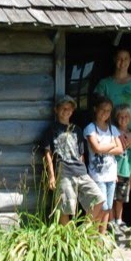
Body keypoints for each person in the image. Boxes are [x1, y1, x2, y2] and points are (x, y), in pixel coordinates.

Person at [41, 95, 104, 225]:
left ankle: (83, 230)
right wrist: (51, 176)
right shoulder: (51, 130)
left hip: (81, 172)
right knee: (66, 206)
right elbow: (48, 154)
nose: (66, 111)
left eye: (69, 108)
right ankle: (66, 235)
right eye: (63, 108)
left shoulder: (77, 130)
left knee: (98, 198)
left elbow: (81, 153)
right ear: (56, 110)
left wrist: (84, 170)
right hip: (64, 173)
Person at [83, 95, 124, 233]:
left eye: (108, 111)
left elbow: (120, 149)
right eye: (102, 109)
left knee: (108, 207)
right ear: (95, 109)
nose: (105, 113)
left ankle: (102, 235)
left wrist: (105, 147)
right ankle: (92, 234)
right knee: (100, 205)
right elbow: (96, 148)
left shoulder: (113, 129)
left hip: (111, 174)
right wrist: (112, 144)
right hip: (97, 175)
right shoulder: (90, 129)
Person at [94, 47, 131, 146]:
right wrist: (116, 133)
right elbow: (101, 112)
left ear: (130, 60)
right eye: (119, 58)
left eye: (126, 58)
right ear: (114, 59)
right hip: (110, 136)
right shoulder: (104, 84)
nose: (122, 62)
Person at [111, 103, 131, 234]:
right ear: (116, 117)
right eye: (121, 116)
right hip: (113, 171)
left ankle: (119, 220)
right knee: (111, 196)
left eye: (126, 117)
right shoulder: (113, 132)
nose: (123, 119)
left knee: (120, 198)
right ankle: (111, 221)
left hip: (126, 171)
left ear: (130, 118)